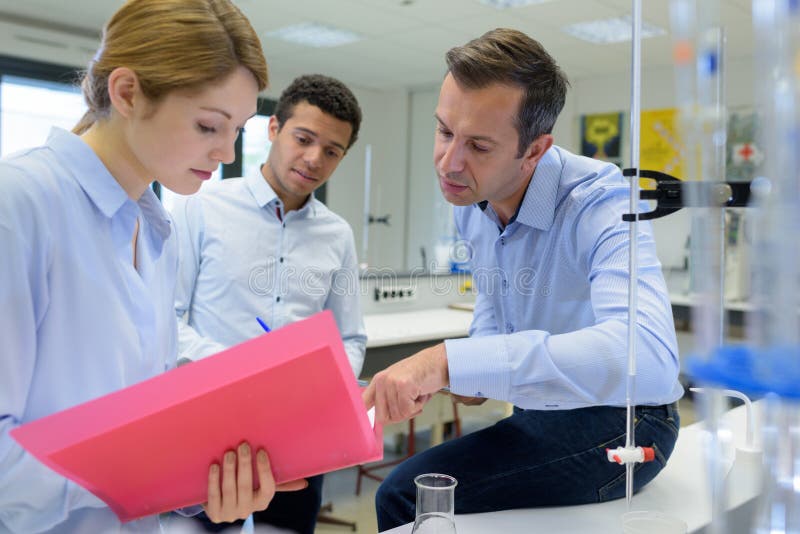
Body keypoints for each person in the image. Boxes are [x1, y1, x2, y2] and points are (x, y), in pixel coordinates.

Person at [0, 1, 307, 532]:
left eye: (237, 129)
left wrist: (203, 478)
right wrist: (154, 469)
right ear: (126, 93)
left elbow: (144, 420)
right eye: (209, 125)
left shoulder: (154, 227)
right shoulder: (21, 205)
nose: (225, 152)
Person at [364, 28, 684, 531]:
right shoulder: (472, 200)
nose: (449, 163)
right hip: (543, 413)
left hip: (630, 421)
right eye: (444, 132)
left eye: (479, 145)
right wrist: (474, 370)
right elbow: (495, 302)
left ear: (534, 150)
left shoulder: (602, 203)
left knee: (404, 495)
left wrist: (447, 361)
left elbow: (650, 359)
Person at [172, 74, 366, 534]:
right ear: (274, 128)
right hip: (211, 421)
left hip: (299, 432)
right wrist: (242, 369)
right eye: (304, 139)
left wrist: (326, 381)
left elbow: (351, 337)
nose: (314, 159)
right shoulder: (202, 207)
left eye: (333, 150)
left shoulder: (337, 234)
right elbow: (168, 320)